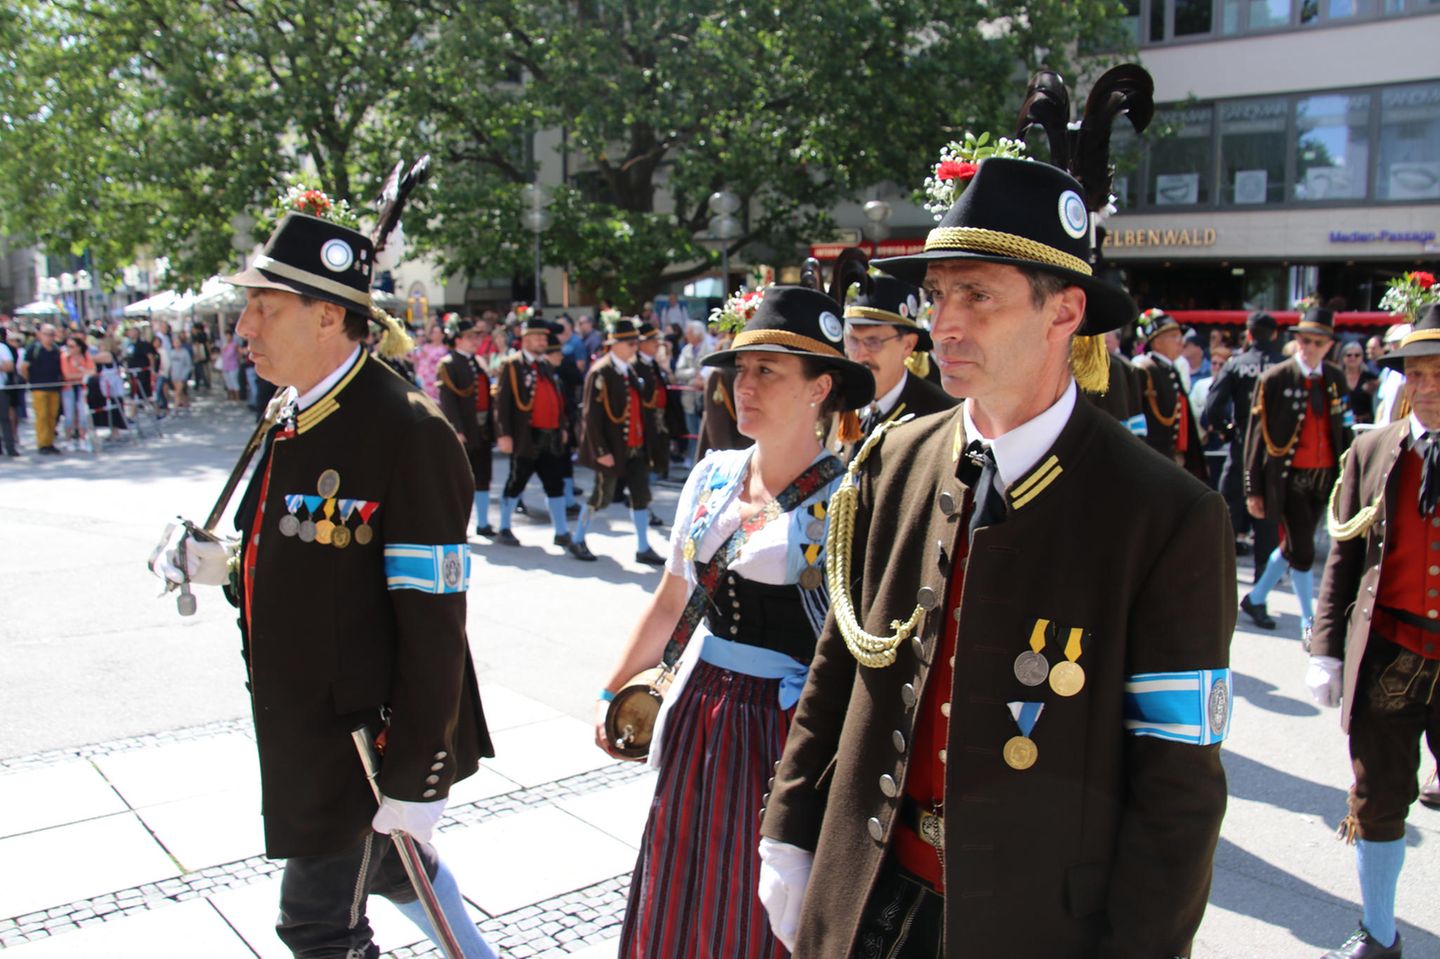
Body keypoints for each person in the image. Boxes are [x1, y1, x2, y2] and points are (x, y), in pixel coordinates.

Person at [756, 157, 1232, 957]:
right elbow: (841, 661)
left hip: (1037, 925)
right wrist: (788, 828)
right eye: (938, 295)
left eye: (977, 295)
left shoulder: (1166, 515)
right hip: (866, 888)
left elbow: (1177, 786)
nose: (942, 323)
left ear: (1064, 311)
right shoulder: (892, 459)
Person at [149, 204, 496, 959]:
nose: (244, 327)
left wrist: (417, 777)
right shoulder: (293, 412)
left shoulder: (408, 430)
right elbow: (299, 561)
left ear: (329, 315)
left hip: (367, 743)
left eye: (264, 307)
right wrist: (219, 565)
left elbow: (436, 620)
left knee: (316, 926)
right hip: (307, 726)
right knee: (395, 870)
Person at [596, 285, 874, 959]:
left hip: (785, 726)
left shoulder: (850, 498)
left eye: (767, 371)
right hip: (700, 707)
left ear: (820, 388)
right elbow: (670, 600)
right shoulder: (712, 475)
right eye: (740, 370)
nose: (742, 386)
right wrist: (613, 693)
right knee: (681, 876)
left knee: (755, 900)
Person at [1311, 303, 1440, 959]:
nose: (1428, 387)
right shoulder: (1371, 451)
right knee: (1378, 794)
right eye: (1418, 374)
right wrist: (1326, 651)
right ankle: (1380, 932)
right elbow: (1343, 558)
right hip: (1392, 649)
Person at [1241, 307, 1353, 639]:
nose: (1310, 348)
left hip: (1325, 475)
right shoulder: (1275, 378)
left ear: (1329, 345)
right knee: (1303, 550)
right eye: (1305, 340)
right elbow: (1255, 438)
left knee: (1293, 544)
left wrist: (1351, 473)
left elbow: (1345, 429)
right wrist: (1253, 488)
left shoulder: (1335, 378)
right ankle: (1310, 622)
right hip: (1288, 478)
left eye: (1318, 342)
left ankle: (1256, 598)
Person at [572, 317, 663, 564]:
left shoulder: (628, 369)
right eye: (631, 344)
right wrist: (600, 450)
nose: (635, 348)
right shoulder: (601, 371)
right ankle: (578, 539)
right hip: (612, 448)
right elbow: (591, 417)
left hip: (635, 446)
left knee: (641, 495)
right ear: (615, 344)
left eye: (636, 343)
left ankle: (643, 547)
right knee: (601, 497)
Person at [1206, 310, 1287, 574]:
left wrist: (1227, 431)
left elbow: (1212, 407)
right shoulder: (1286, 366)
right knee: (1269, 516)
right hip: (1275, 449)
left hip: (1242, 445)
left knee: (1229, 510)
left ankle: (1222, 574)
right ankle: (1263, 580)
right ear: (1274, 335)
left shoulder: (1235, 365)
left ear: (1249, 335)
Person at [842, 273, 956, 454]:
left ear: (908, 345)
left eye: (873, 341)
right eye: (853, 341)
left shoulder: (941, 415)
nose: (859, 353)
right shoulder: (838, 401)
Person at [494, 315, 573, 547]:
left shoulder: (545, 365)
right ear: (525, 339)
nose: (542, 341)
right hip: (526, 435)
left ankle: (561, 531)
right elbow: (501, 403)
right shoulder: (512, 365)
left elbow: (557, 399)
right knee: (516, 481)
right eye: (537, 337)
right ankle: (504, 527)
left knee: (555, 483)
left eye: (544, 338)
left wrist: (562, 426)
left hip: (550, 435)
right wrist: (504, 434)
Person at [435, 316, 496, 538]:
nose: (475, 341)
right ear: (458, 340)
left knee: (483, 476)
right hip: (465, 429)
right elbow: (448, 400)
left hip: (481, 429)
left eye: (476, 337)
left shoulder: (477, 362)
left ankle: (483, 522)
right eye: (470, 337)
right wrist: (456, 429)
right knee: (461, 480)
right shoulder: (449, 364)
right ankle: (460, 525)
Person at [1133, 309, 1207, 480]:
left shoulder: (1169, 369)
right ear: (1157, 342)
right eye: (1174, 336)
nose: (1180, 342)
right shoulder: (1146, 370)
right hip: (1154, 456)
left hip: (1169, 456)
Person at [1086, 327, 1147, 437]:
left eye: (1108, 336)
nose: (1105, 338)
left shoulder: (1124, 366)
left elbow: (1132, 409)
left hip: (1109, 434)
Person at [19, 323, 64, 455]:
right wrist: (30, 381)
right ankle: (43, 443)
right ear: (40, 335)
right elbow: (24, 367)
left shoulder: (56, 349)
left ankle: (50, 442)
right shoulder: (33, 348)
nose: (49, 337)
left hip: (54, 387)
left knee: (52, 416)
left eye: (51, 334)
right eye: (46, 334)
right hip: (38, 388)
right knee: (42, 416)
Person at [59, 333, 96, 449]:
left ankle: (82, 439)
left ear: (79, 347)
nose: (70, 349)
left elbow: (93, 371)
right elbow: (67, 375)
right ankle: (69, 440)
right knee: (69, 415)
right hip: (68, 388)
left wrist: (79, 369)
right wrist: (83, 374)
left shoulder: (86, 356)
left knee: (82, 415)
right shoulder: (65, 357)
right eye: (68, 346)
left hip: (82, 388)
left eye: (72, 346)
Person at [1340, 339, 1379, 425]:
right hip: (1342, 423)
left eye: (1357, 355)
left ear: (1362, 358)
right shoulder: (1337, 377)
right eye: (1349, 355)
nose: (1353, 358)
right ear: (1343, 357)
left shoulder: (1370, 378)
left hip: (1365, 424)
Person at [412, 321, 449, 401]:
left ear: (442, 335)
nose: (433, 334)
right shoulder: (425, 346)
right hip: (420, 381)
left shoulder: (443, 350)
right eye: (433, 332)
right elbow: (416, 360)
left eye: (436, 332)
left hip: (434, 384)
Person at [0, 327, 20, 457]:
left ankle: (10, 447)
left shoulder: (2, 348)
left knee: (4, 418)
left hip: (1, 388)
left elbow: (9, 366)